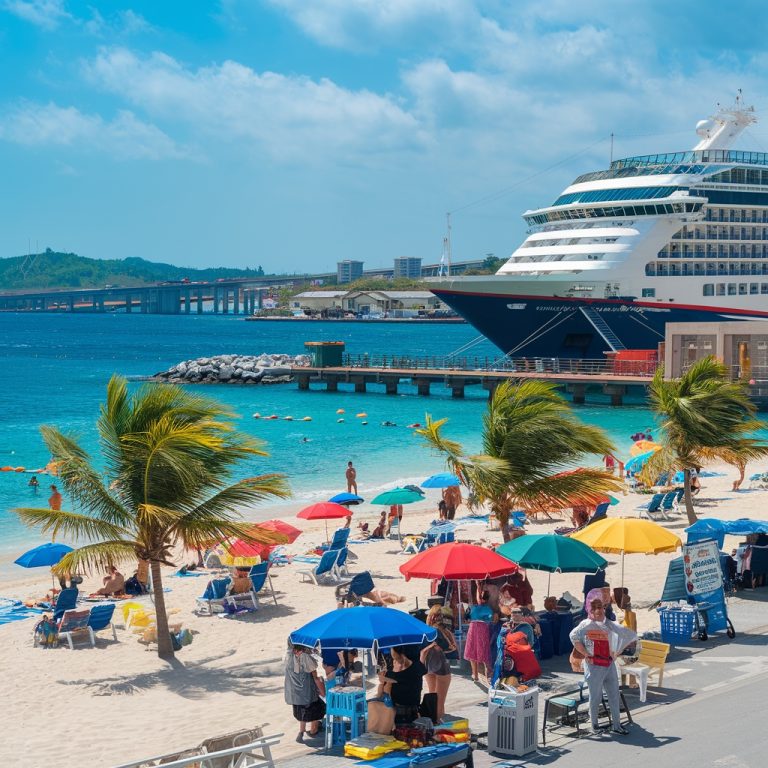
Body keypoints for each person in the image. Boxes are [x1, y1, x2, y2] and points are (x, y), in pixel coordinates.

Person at [569, 596, 637, 736]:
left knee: (614, 695)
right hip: (594, 667)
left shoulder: (609, 624)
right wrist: (586, 654)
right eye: (594, 608)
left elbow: (629, 634)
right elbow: (573, 636)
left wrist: (617, 652)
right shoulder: (586, 624)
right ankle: (594, 725)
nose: (598, 610)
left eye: (600, 607)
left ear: (604, 608)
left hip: (609, 665)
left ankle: (617, 725)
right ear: (590, 610)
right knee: (595, 697)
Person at [284, 643, 326, 742]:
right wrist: (321, 689)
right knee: (317, 708)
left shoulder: (289, 656)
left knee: (300, 710)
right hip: (308, 690)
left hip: (294, 692)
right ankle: (313, 730)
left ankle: (301, 731)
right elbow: (314, 674)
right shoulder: (306, 658)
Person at [421, 606, 456, 721]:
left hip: (428, 665)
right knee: (440, 701)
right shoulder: (441, 631)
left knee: (432, 695)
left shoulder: (426, 630)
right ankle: (438, 725)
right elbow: (451, 648)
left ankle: (432, 720)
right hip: (441, 666)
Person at [380, 646, 427, 724]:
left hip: (398, 716)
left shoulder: (393, 676)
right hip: (414, 713)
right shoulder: (418, 667)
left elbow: (385, 692)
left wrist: (387, 676)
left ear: (402, 655)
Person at [463, 590, 494, 682]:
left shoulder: (472, 607)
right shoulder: (488, 609)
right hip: (482, 628)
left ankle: (476, 675)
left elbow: (466, 619)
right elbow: (490, 619)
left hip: (474, 628)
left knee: (473, 650)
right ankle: (488, 674)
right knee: (483, 650)